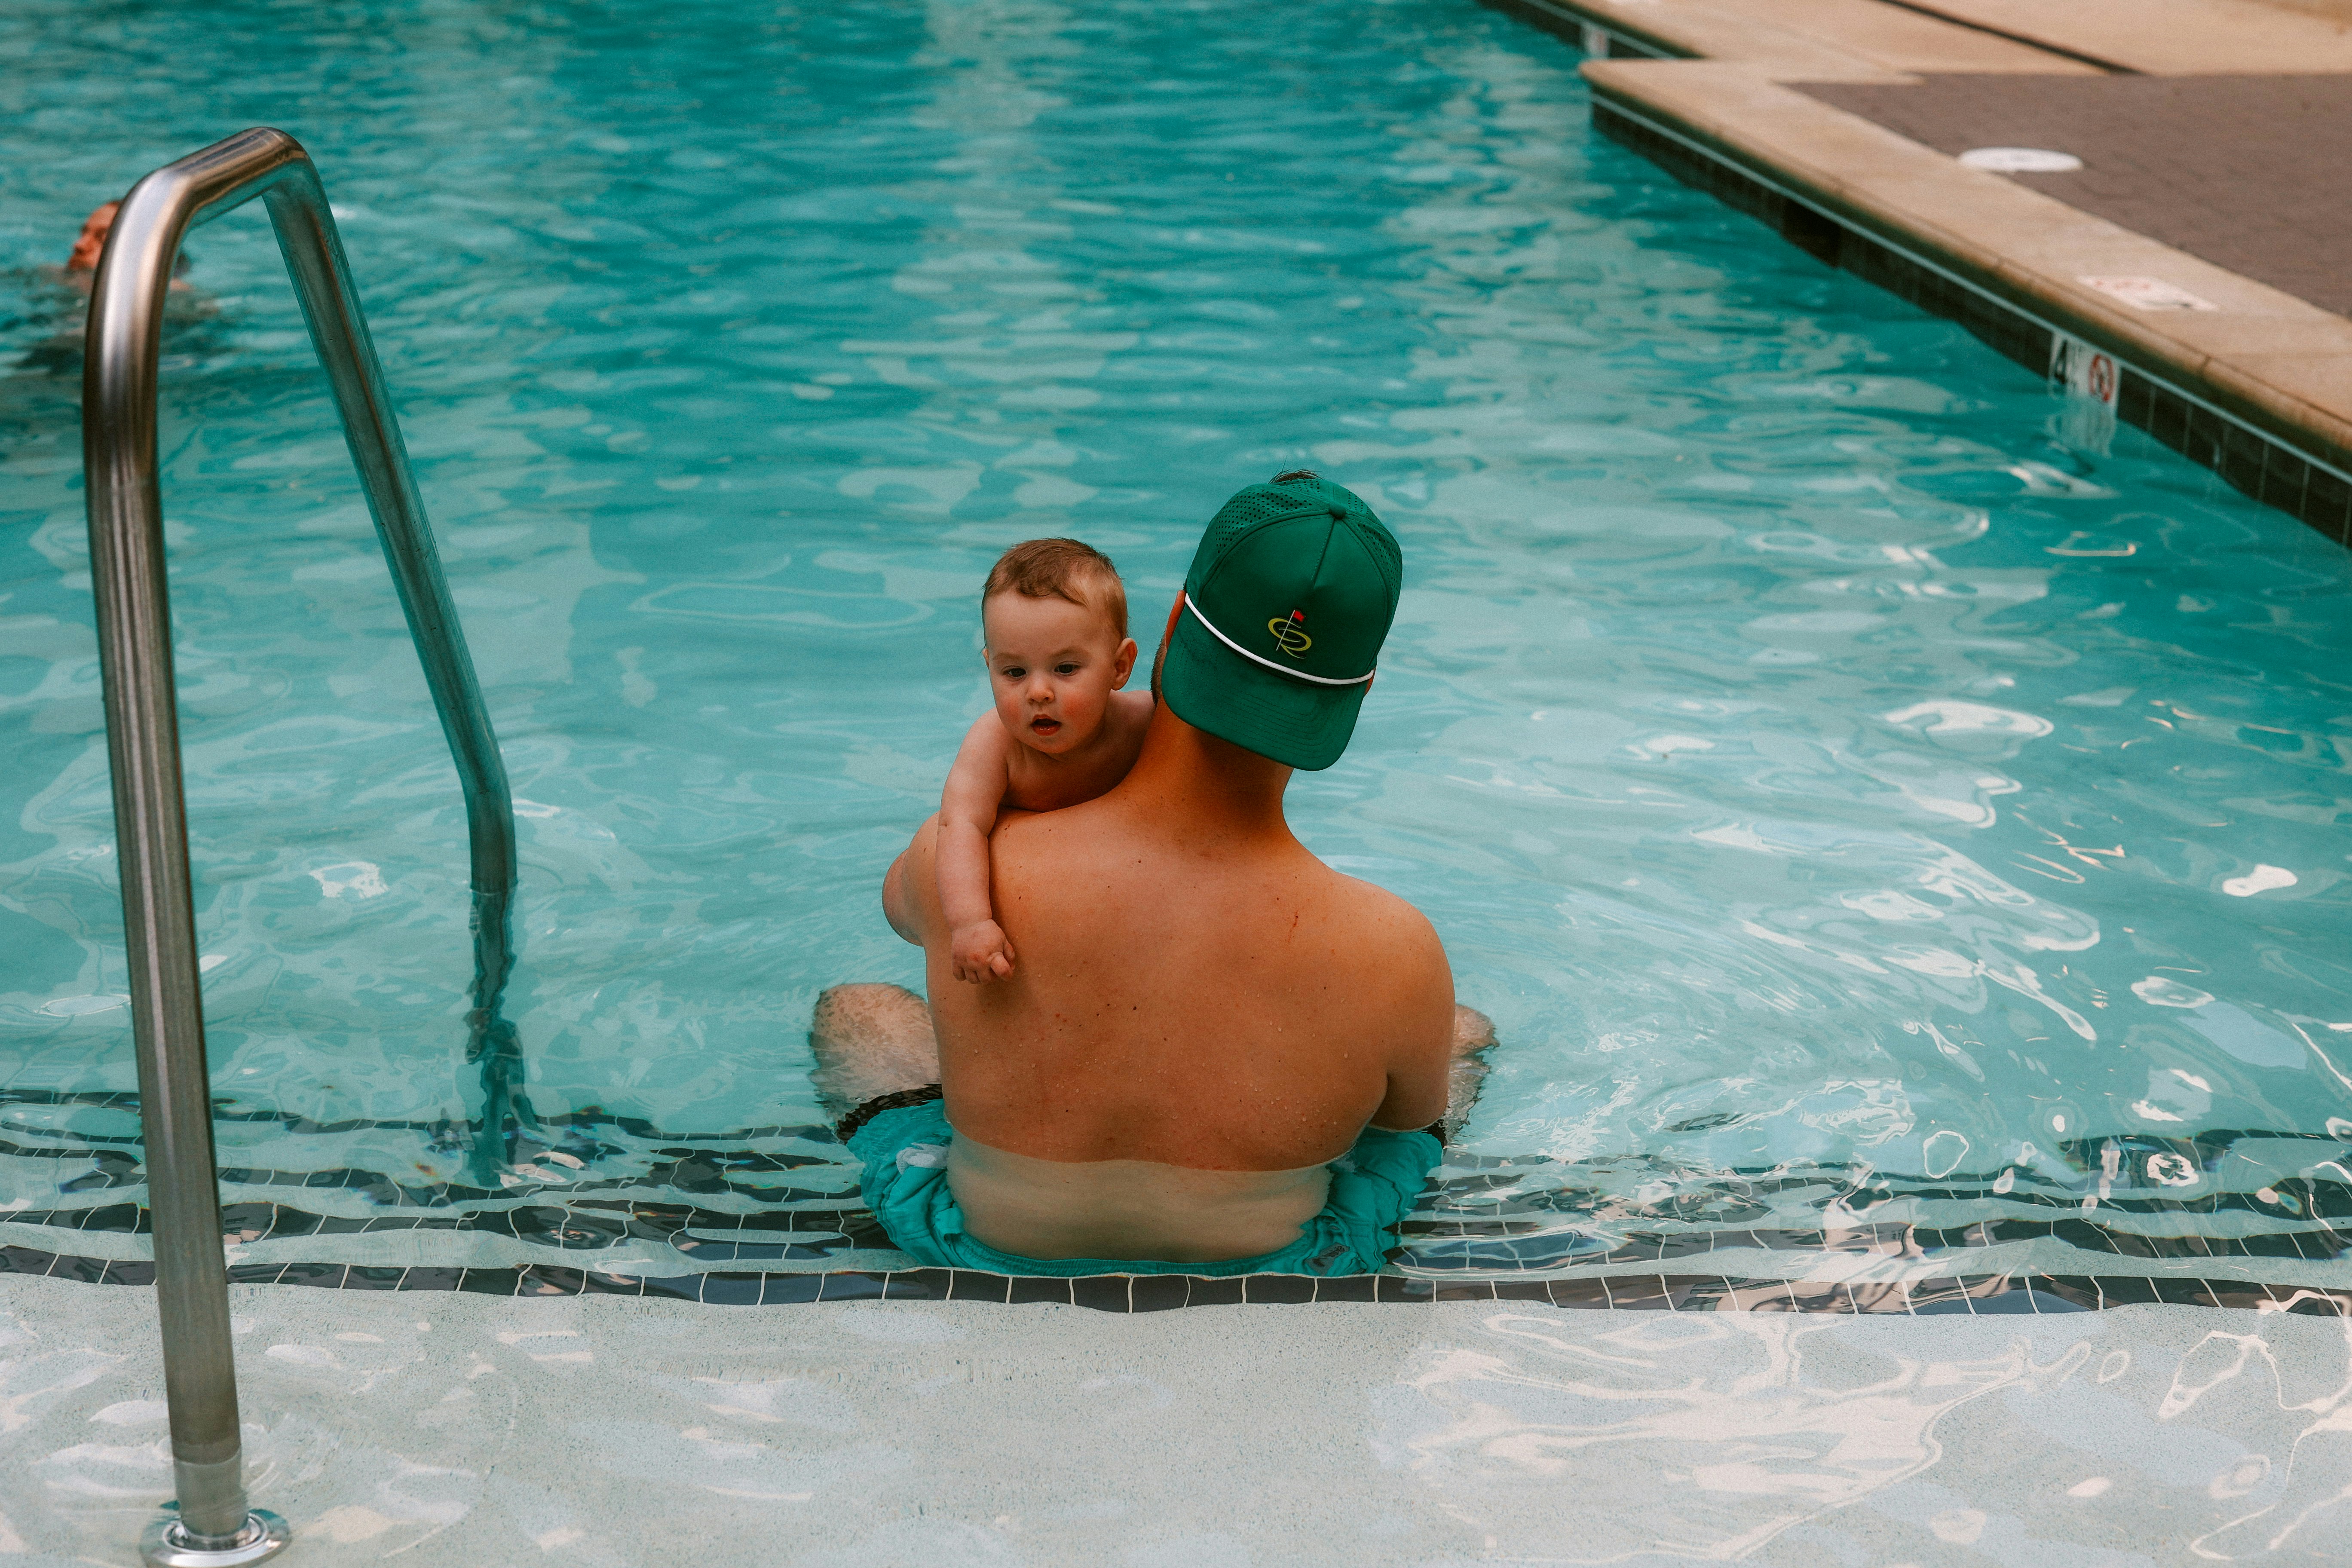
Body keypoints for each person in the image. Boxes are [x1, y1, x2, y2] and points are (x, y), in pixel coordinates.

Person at [811, 471, 1493, 1277]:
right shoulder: (1400, 949)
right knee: (1459, 1031)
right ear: (1360, 689)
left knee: (860, 1009)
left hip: (990, 1243)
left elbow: (898, 906)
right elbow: (1401, 1135)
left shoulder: (966, 861)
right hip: (1283, 1261)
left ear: (1168, 628)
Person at [935, 538, 1155, 983]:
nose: (1038, 692)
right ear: (989, 665)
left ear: (1119, 666)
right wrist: (971, 922)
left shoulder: (1144, 725)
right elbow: (960, 826)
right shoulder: (994, 746)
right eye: (1014, 672)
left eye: (1066, 669)